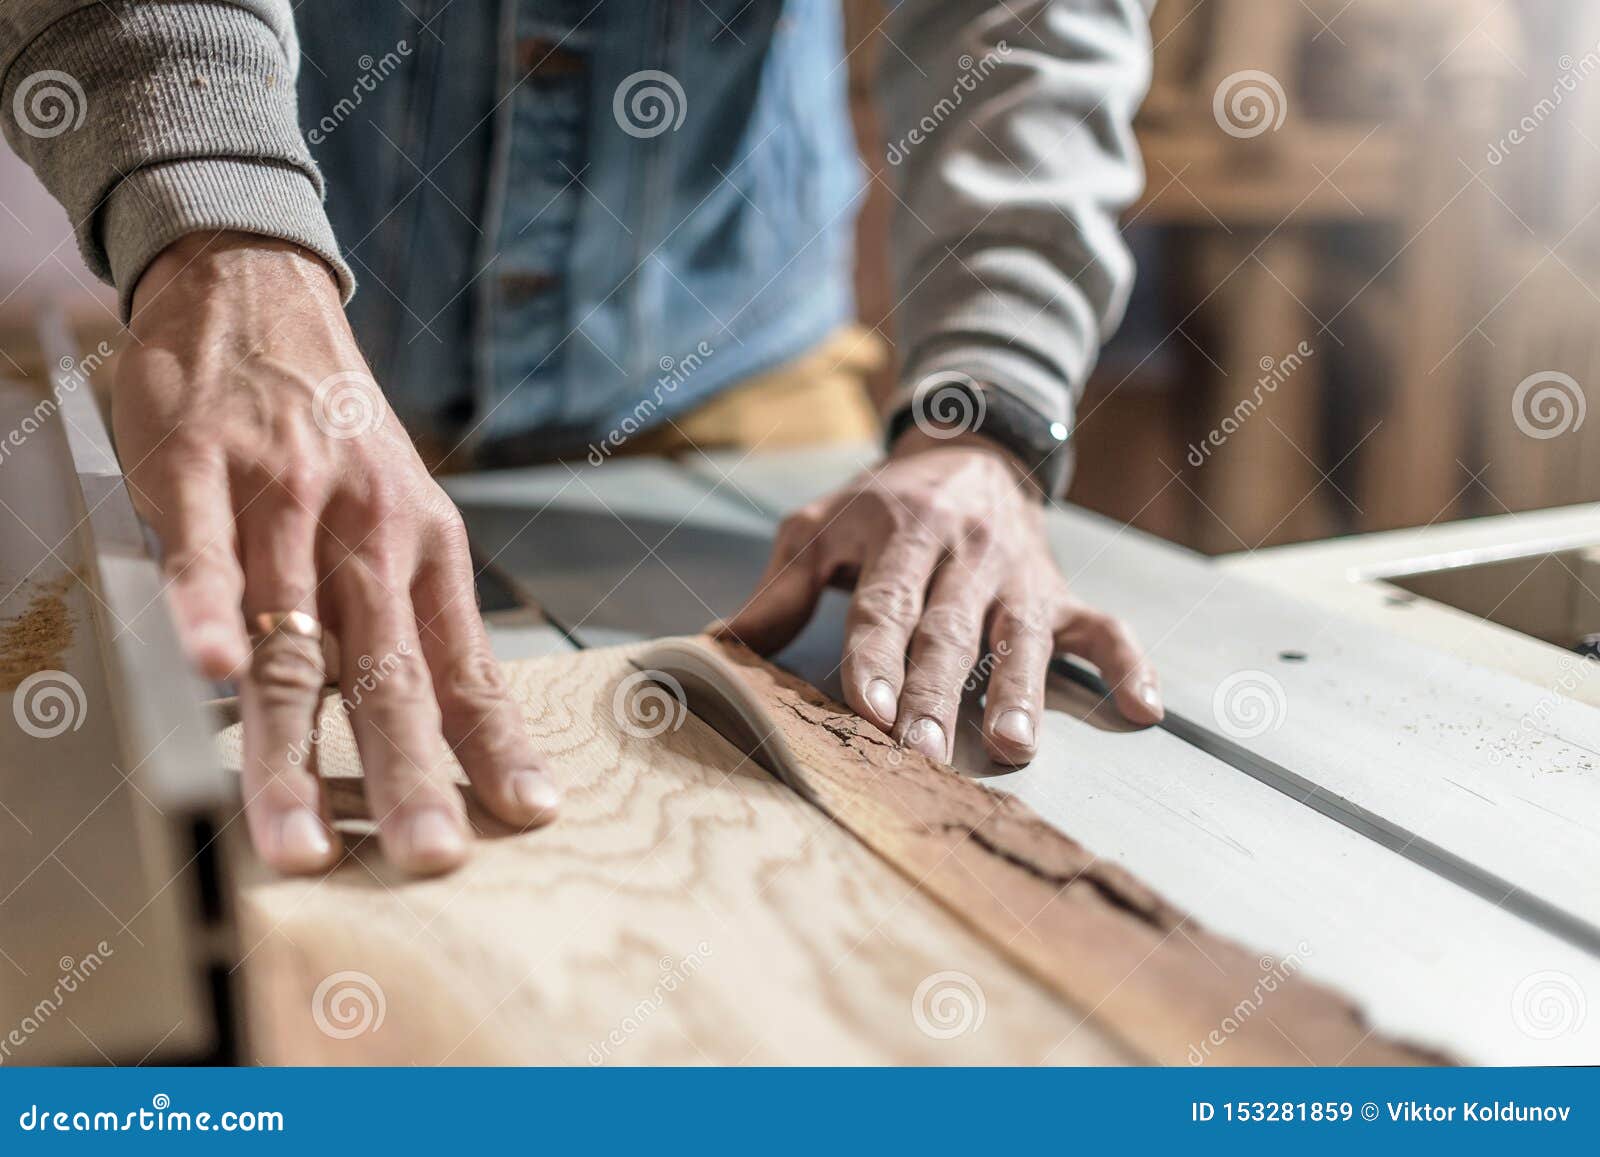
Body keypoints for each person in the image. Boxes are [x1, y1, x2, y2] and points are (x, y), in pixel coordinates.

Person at [2, 0, 1162, 877]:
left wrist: (988, 409)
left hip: (736, 363)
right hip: (288, 366)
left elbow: (1025, 22)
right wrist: (220, 228)